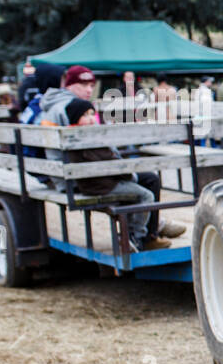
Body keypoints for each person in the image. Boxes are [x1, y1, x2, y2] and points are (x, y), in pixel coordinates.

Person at [63, 99, 170, 251]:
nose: (91, 118)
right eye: (85, 115)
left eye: (92, 114)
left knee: (151, 178)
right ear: (75, 119)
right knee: (146, 195)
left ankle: (149, 235)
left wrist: (127, 173)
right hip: (104, 184)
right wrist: (129, 175)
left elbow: (110, 160)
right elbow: (107, 164)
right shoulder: (82, 138)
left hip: (107, 179)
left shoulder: (89, 135)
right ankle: (136, 235)